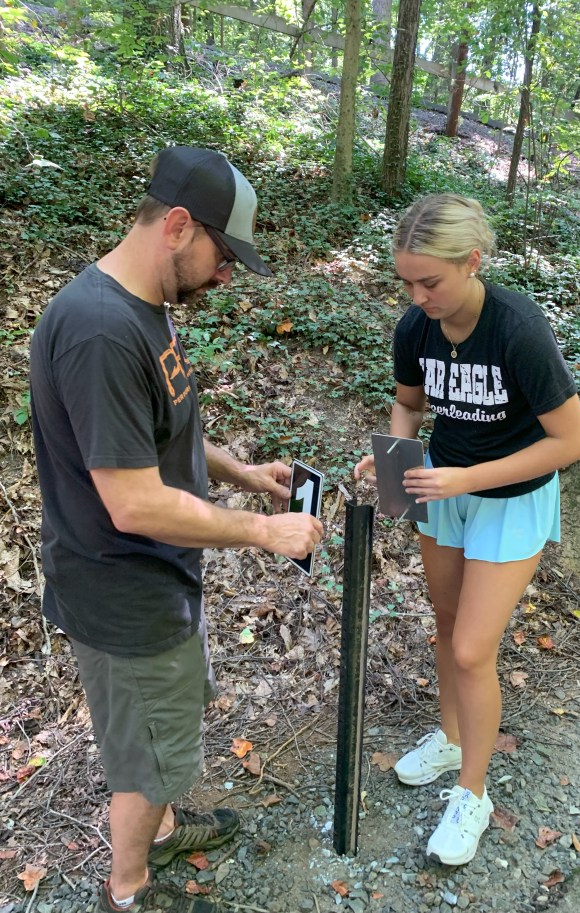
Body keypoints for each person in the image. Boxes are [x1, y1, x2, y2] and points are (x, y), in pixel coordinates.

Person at [30, 146, 323, 913]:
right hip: (122, 590)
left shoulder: (141, 305)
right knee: (144, 762)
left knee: (159, 737)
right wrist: (262, 533)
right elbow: (133, 502)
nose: (227, 275)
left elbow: (162, 441)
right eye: (224, 256)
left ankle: (159, 836)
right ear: (180, 225)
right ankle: (130, 890)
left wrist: (247, 475)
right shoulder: (99, 331)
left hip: (156, 581)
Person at [355, 193, 580, 866]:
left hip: (509, 499)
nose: (416, 293)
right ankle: (451, 736)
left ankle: (472, 793)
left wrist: (464, 478)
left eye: (429, 280)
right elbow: (406, 406)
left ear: (472, 262)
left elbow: (569, 442)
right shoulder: (415, 328)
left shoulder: (517, 328)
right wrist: (395, 461)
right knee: (447, 622)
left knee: (469, 650)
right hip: (443, 492)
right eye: (406, 280)